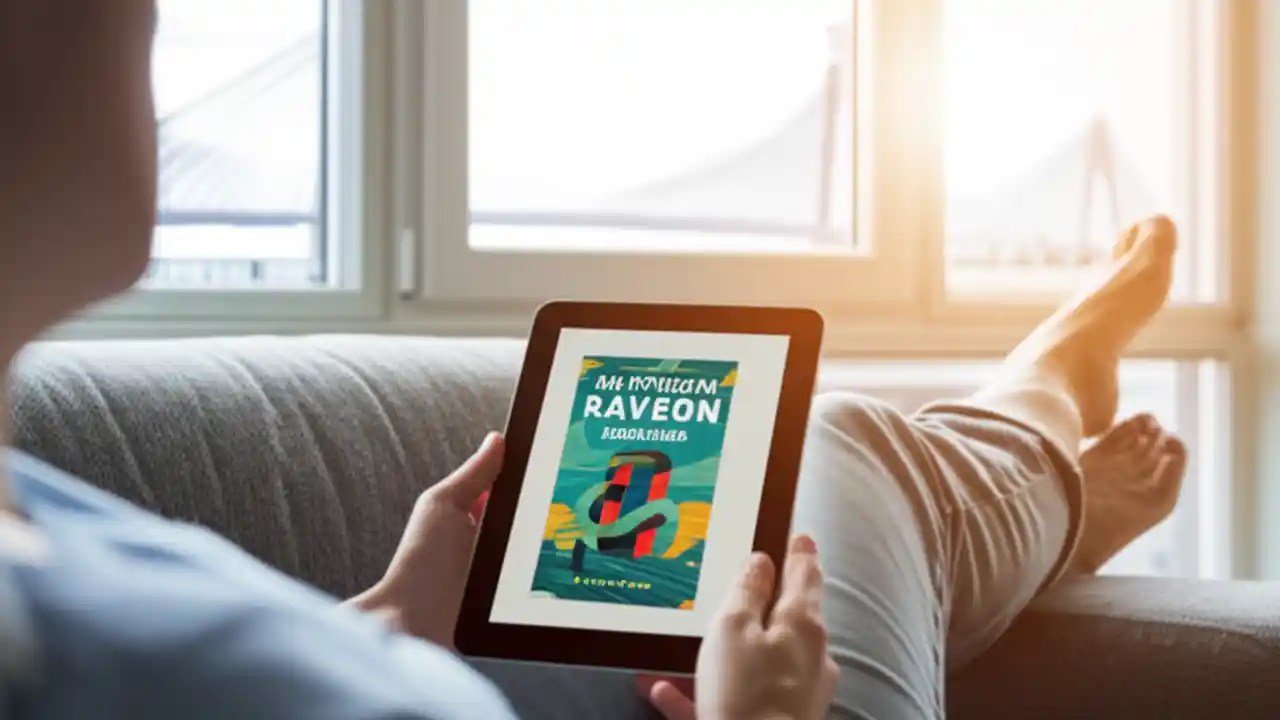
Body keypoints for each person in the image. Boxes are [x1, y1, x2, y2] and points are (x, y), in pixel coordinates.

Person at [0, 2, 1184, 719]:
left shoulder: (31, 511)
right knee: (840, 444)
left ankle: (1029, 450)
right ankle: (1037, 428)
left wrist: (390, 617)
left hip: (498, 672)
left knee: (811, 462)